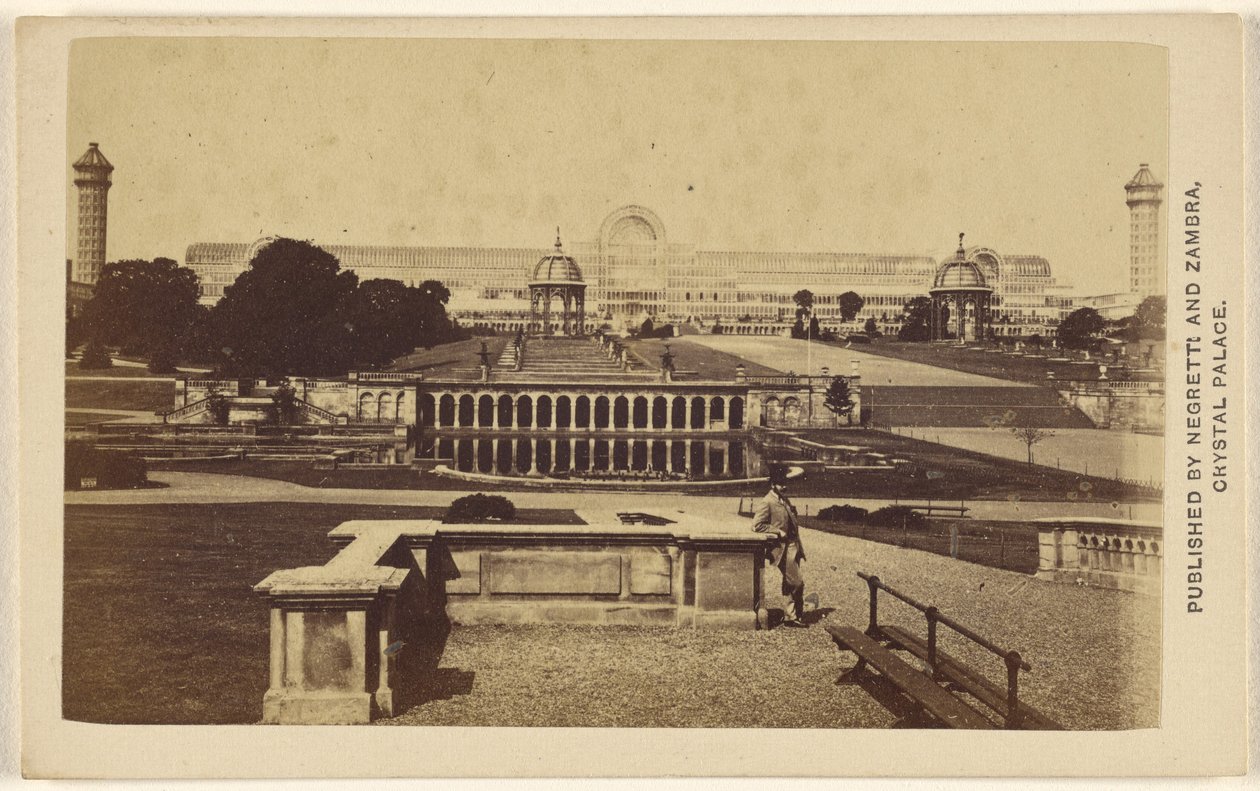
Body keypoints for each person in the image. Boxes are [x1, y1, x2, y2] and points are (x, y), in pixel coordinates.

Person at [753, 464, 808, 628]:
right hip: (782, 548)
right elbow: (757, 525)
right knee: (797, 582)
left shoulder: (783, 499)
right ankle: (793, 615)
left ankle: (792, 616)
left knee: (789, 581)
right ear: (772, 485)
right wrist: (777, 531)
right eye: (780, 483)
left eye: (785, 483)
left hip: (794, 545)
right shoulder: (767, 502)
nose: (784, 486)